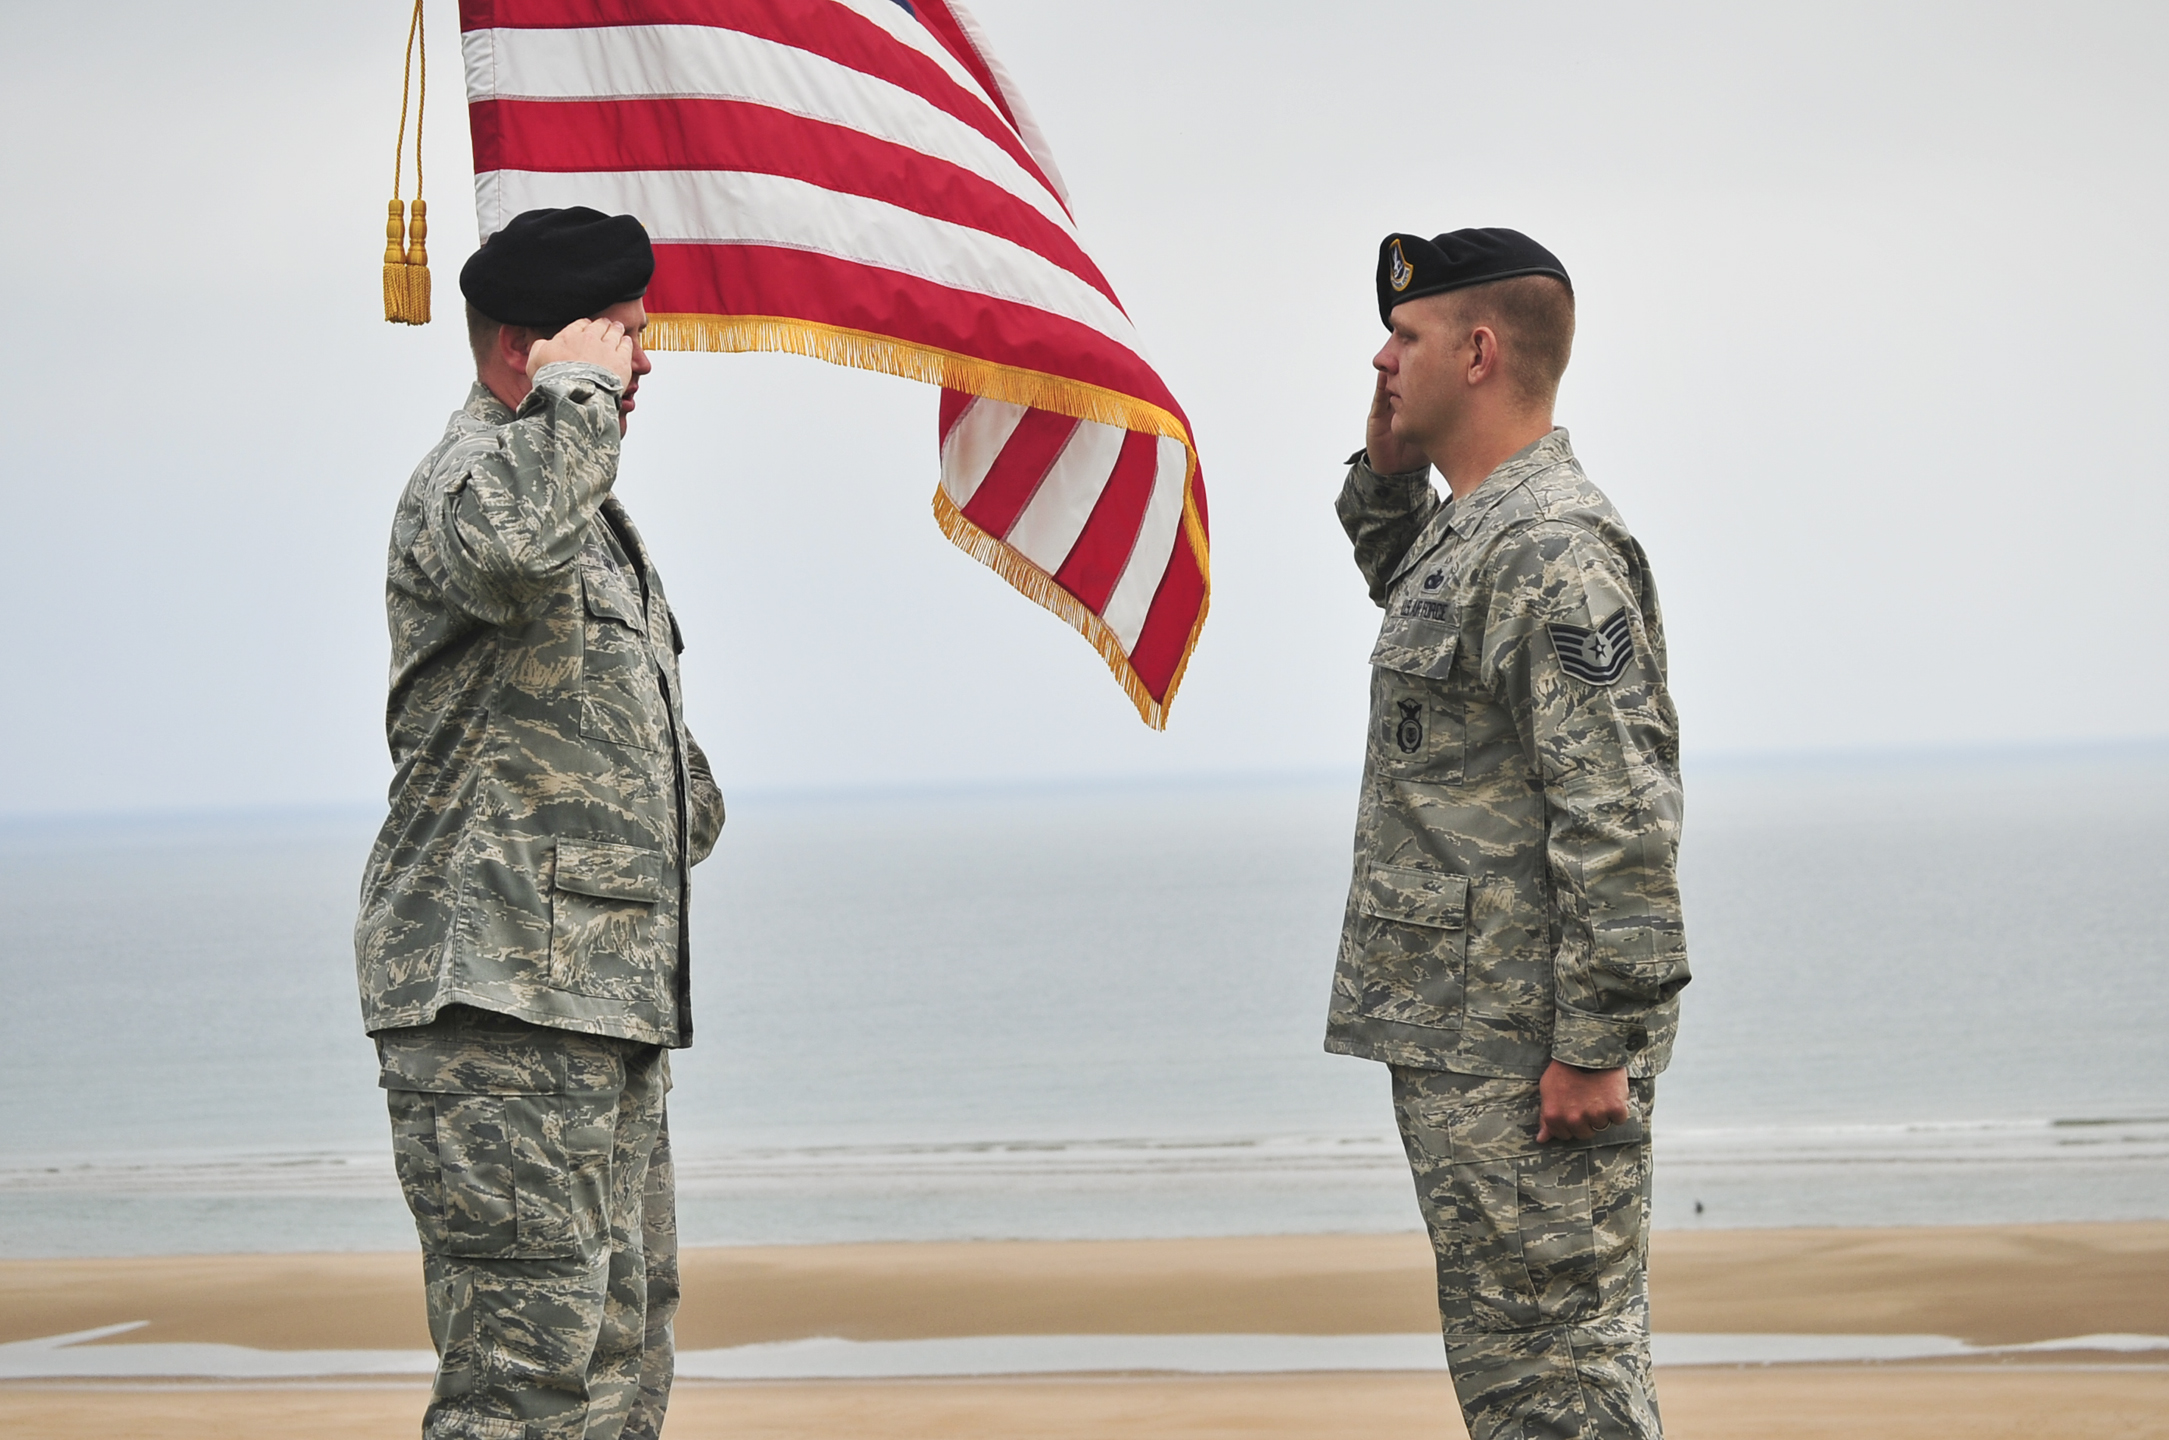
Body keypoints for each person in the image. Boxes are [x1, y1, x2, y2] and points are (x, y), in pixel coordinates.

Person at [354, 206, 726, 1440]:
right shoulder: (475, 485)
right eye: (618, 334)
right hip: (499, 1005)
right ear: (531, 350)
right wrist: (577, 399)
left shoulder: (587, 517)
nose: (642, 360)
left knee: (619, 1371)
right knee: (521, 1392)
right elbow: (514, 556)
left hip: (594, 1004)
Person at [1327, 228, 1689, 1440]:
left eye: (1409, 336)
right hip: (1477, 1046)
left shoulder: (1552, 551)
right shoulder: (1480, 532)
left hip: (1528, 1060)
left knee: (1557, 1386)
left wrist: (1596, 1047)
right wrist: (1385, 476)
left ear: (1479, 351)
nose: (1383, 357)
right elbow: (1419, 594)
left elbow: (1622, 816)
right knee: (1536, 1381)